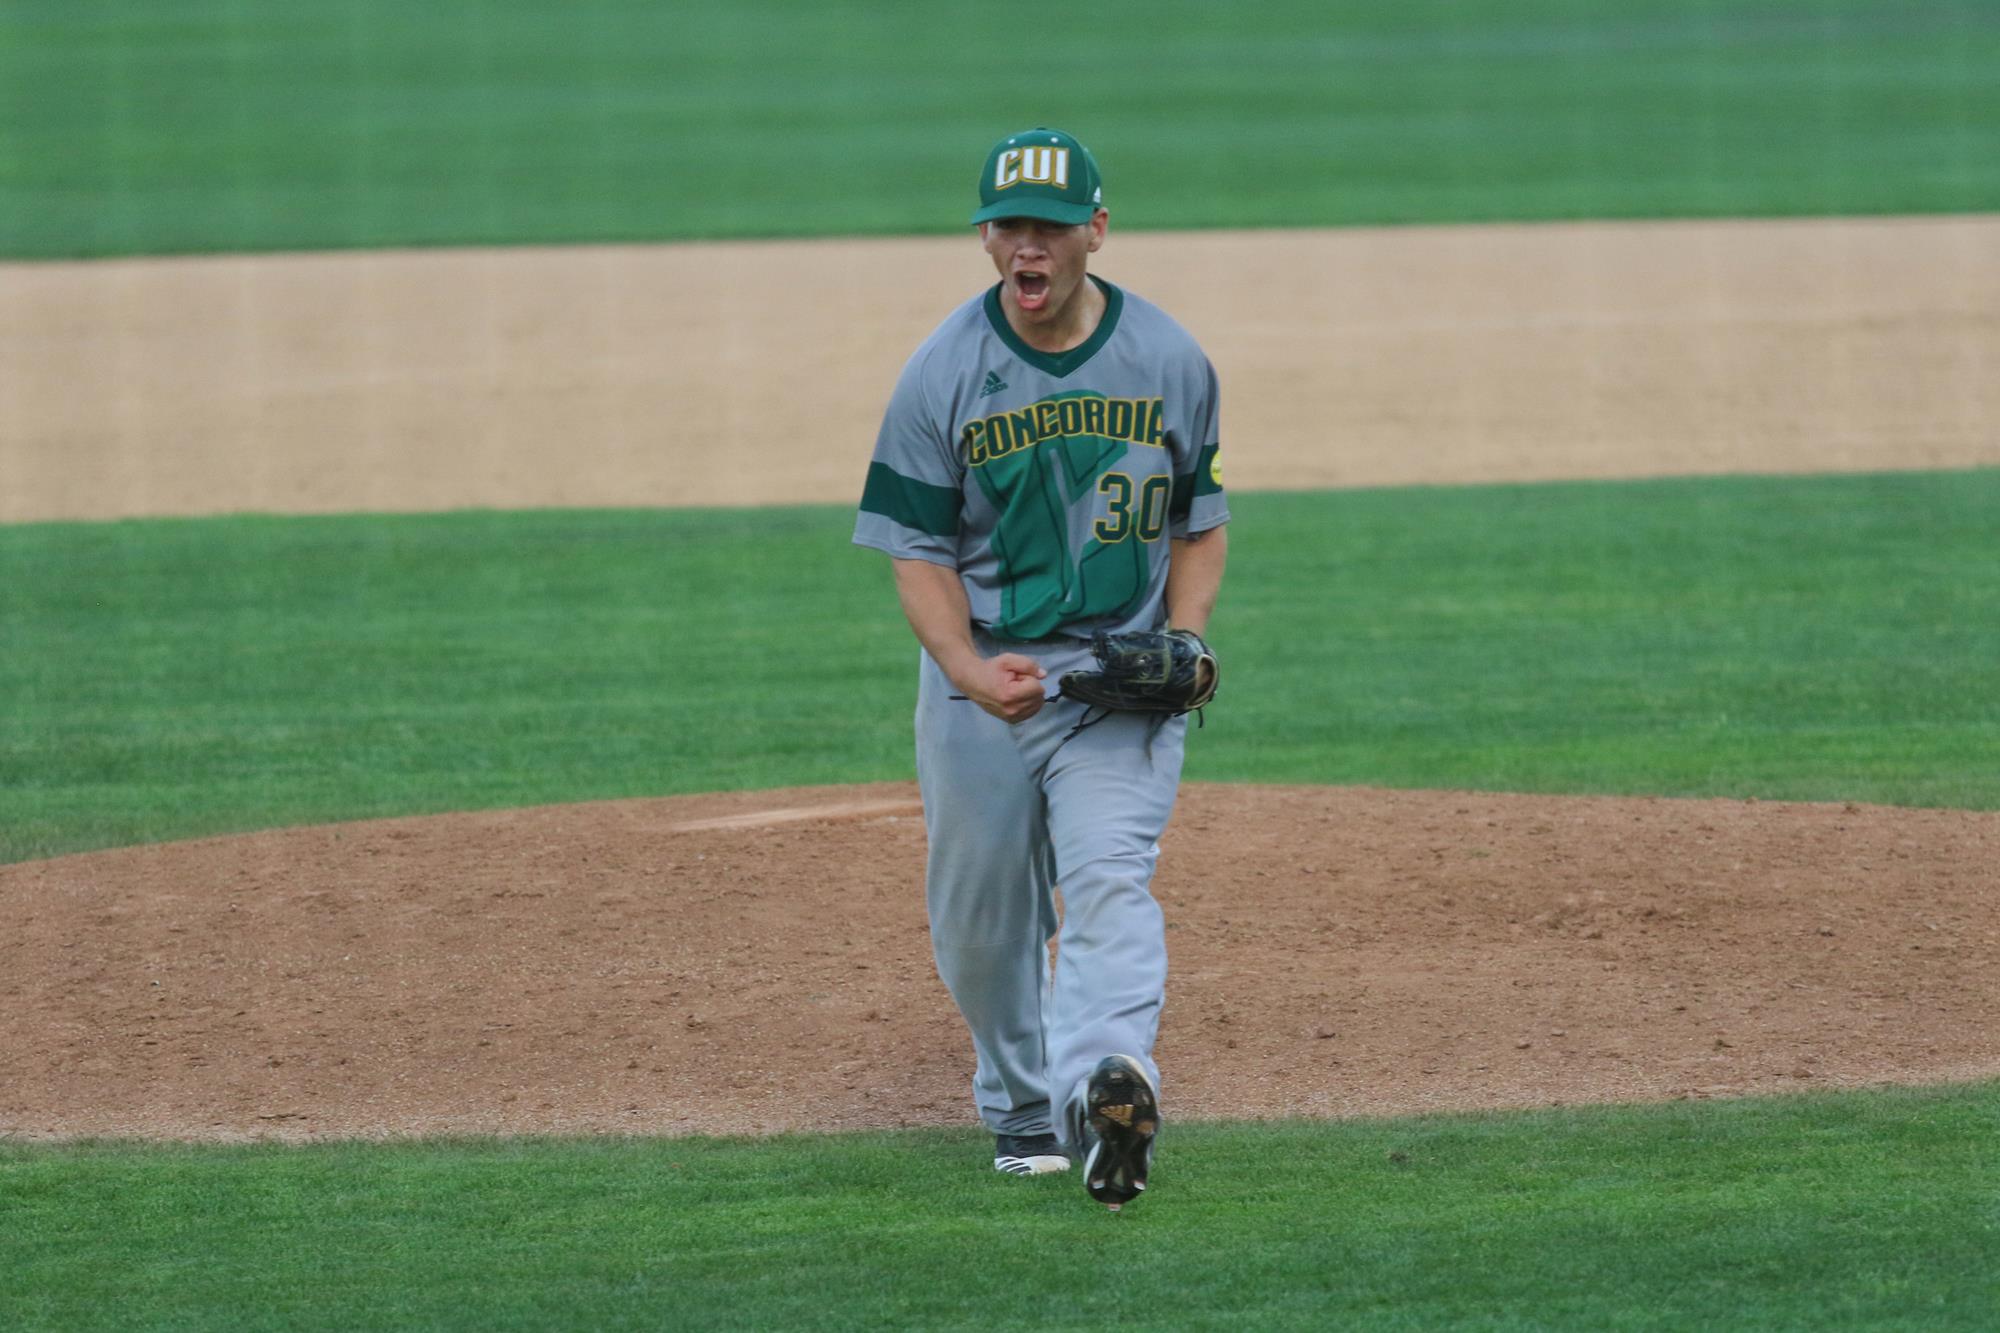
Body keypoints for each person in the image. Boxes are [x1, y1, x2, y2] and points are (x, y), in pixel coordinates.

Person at [851, 127, 1229, 1211]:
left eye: (1050, 227)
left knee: (1108, 877)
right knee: (980, 919)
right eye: (1009, 226)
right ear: (983, 237)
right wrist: (967, 669)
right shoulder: (941, 373)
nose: (1028, 246)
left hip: (1116, 682)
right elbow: (914, 553)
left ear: (1093, 233)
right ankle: (1021, 1097)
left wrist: (1189, 638)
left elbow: (1200, 521)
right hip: (986, 675)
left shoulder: (1167, 361)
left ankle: (1108, 1086)